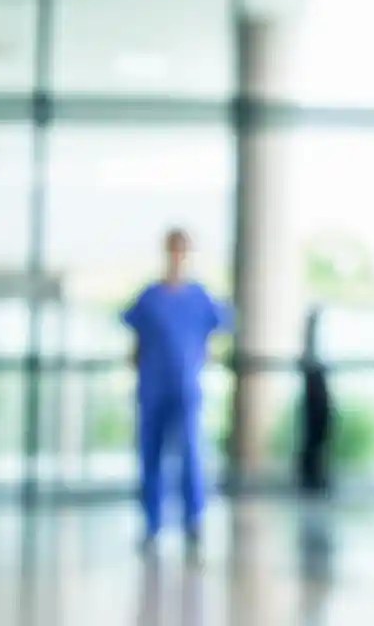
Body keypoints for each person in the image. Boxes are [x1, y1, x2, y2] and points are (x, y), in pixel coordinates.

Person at [123, 228, 232, 550]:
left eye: (183, 250)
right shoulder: (150, 298)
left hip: (186, 389)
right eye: (173, 250)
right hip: (154, 388)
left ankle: (193, 523)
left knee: (191, 455)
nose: (177, 256)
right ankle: (152, 524)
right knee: (151, 456)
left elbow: (215, 334)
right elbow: (135, 344)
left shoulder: (200, 298)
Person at [298, 308, 333, 494]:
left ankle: (315, 475)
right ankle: (312, 477)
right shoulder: (313, 361)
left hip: (316, 380)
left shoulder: (313, 355)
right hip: (315, 382)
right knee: (315, 435)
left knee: (317, 435)